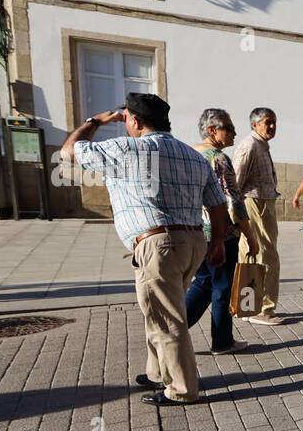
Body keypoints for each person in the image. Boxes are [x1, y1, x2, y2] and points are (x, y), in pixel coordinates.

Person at [60, 93, 227, 405]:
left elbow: (69, 153)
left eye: (126, 120)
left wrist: (94, 121)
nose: (125, 125)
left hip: (158, 245)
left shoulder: (126, 148)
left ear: (134, 121)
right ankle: (157, 373)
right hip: (192, 243)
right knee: (158, 311)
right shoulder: (193, 155)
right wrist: (217, 243)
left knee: (166, 319)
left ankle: (181, 389)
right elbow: (218, 207)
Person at [185, 108, 254, 356]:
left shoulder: (189, 154)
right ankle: (222, 341)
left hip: (195, 231)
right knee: (222, 287)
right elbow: (233, 202)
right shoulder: (218, 159)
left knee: (203, 283)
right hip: (220, 234)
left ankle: (174, 330)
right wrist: (250, 236)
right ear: (212, 130)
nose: (234, 132)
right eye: (229, 127)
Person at [234, 107, 283, 325]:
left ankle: (248, 307)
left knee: (255, 254)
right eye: (267, 122)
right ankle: (260, 309)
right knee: (265, 256)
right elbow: (235, 183)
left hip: (263, 203)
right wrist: (235, 214)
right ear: (254, 124)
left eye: (273, 122)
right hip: (254, 203)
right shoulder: (250, 145)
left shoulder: (261, 145)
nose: (272, 126)